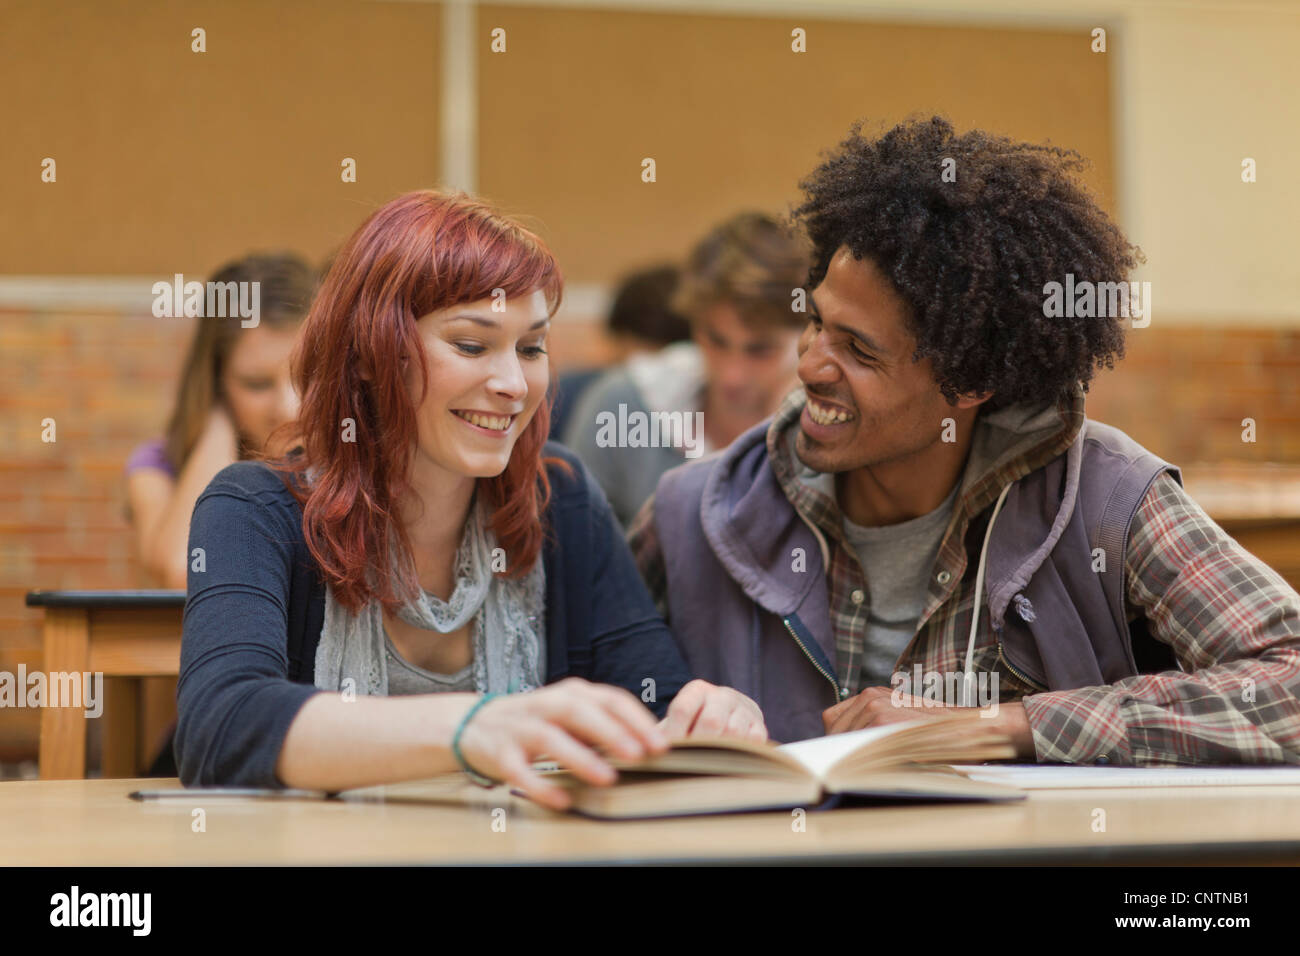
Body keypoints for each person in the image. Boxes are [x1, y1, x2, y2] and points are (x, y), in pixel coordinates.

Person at [630, 116, 1300, 763]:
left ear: (971, 380)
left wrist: (1001, 727)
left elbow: (1290, 684)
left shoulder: (1104, 500)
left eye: (859, 350)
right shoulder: (695, 513)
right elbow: (580, 701)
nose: (807, 367)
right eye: (816, 322)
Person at [175, 190, 765, 809]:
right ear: (373, 355)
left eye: (531, 348)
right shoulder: (252, 508)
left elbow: (654, 702)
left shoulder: (560, 499)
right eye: (471, 345)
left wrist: (709, 719)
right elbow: (220, 727)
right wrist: (472, 727)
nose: (513, 384)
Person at [563, 212, 809, 526]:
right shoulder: (624, 403)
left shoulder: (827, 431)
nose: (732, 374)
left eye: (760, 350)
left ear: (808, 336)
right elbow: (573, 550)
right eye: (715, 340)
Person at [125, 252, 317, 589]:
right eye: (256, 384)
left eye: (307, 377)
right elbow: (181, 568)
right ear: (217, 383)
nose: (289, 409)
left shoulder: (361, 460)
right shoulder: (156, 466)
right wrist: (215, 423)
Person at [547, 264, 689, 442]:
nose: (646, 376)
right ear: (615, 340)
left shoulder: (699, 410)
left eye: (661, 363)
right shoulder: (559, 397)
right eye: (638, 361)